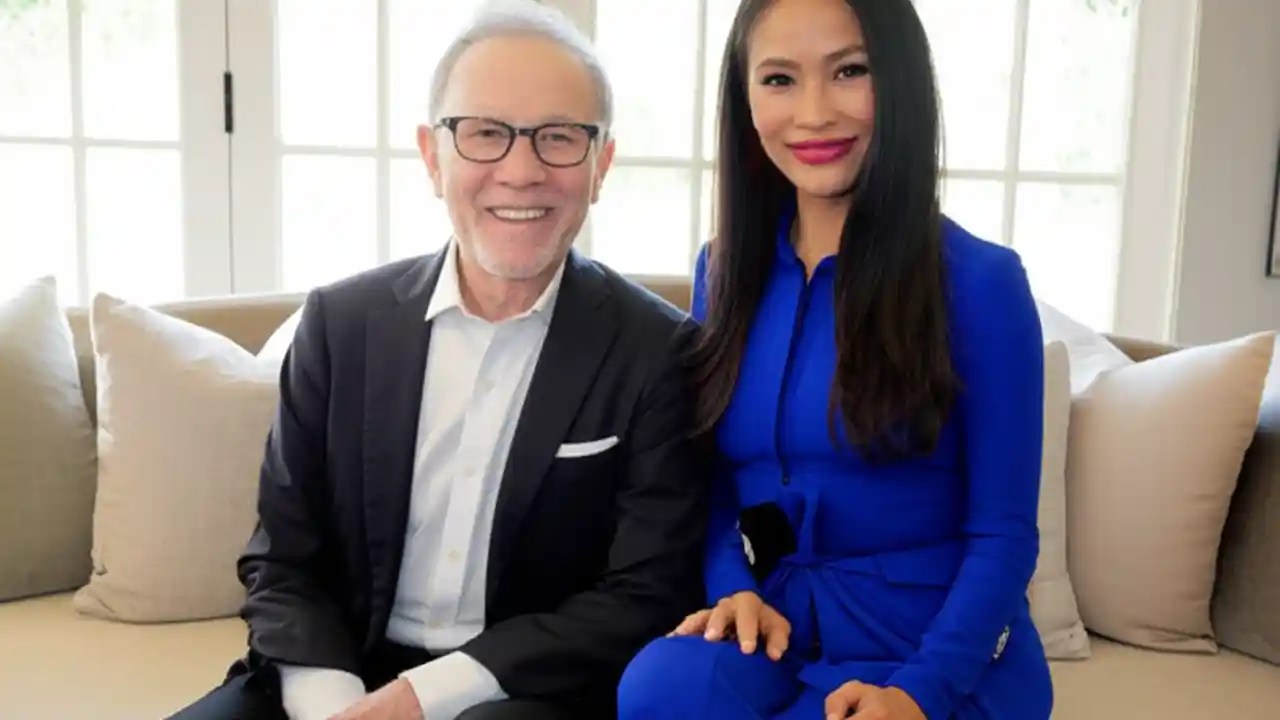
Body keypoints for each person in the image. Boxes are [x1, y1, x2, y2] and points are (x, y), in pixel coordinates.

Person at [171, 3, 708, 719]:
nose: (521, 171)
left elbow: (644, 592)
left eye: (559, 137)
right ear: (433, 155)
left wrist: (422, 700)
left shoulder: (660, 352)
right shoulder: (339, 324)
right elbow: (281, 561)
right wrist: (336, 705)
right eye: (485, 133)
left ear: (601, 163)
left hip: (522, 690)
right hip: (331, 672)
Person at [617, 0, 1053, 718]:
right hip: (785, 622)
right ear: (743, 98)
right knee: (662, 687)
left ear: (902, 81)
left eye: (850, 71)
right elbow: (720, 484)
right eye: (780, 79)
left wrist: (919, 693)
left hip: (933, 645)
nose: (814, 114)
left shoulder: (981, 281)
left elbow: (1004, 535)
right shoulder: (722, 271)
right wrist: (737, 589)